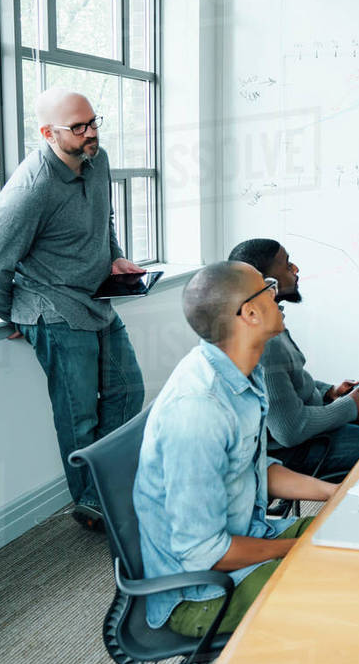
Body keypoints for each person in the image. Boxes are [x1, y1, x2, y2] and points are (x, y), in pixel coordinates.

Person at [134, 261, 338, 636]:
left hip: (253, 538)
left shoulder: (241, 370)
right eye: (268, 288)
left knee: (356, 540)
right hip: (204, 594)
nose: (277, 295)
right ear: (250, 313)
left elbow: (254, 468)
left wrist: (336, 492)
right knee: (347, 593)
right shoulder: (199, 409)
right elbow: (204, 553)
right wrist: (295, 548)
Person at [0, 88, 145, 532]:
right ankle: (93, 504)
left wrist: (115, 258)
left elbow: (103, 218)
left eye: (94, 121)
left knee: (129, 391)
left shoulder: (97, 159)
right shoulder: (32, 190)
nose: (91, 133)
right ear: (49, 133)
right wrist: (13, 316)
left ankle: (106, 489)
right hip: (52, 309)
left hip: (96, 297)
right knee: (79, 415)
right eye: (79, 127)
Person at [228, 238, 359, 478]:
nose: (295, 269)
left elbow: (292, 380)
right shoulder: (264, 342)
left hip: (306, 420)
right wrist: (349, 406)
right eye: (287, 264)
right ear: (265, 281)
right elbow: (289, 431)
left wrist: (330, 392)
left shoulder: (270, 319)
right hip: (293, 449)